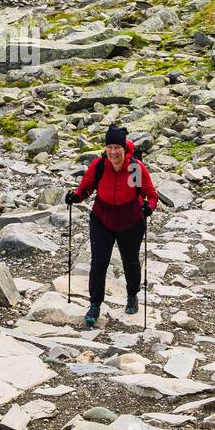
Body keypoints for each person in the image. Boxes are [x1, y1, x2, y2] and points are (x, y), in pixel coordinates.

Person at [65, 124, 159, 325]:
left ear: (124, 149)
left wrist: (148, 208)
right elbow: (86, 189)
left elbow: (150, 195)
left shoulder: (134, 168)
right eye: (110, 147)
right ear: (106, 148)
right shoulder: (99, 166)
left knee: (130, 261)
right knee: (99, 263)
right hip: (102, 219)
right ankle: (95, 305)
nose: (114, 152)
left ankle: (132, 294)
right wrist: (75, 197)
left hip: (131, 221)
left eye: (118, 147)